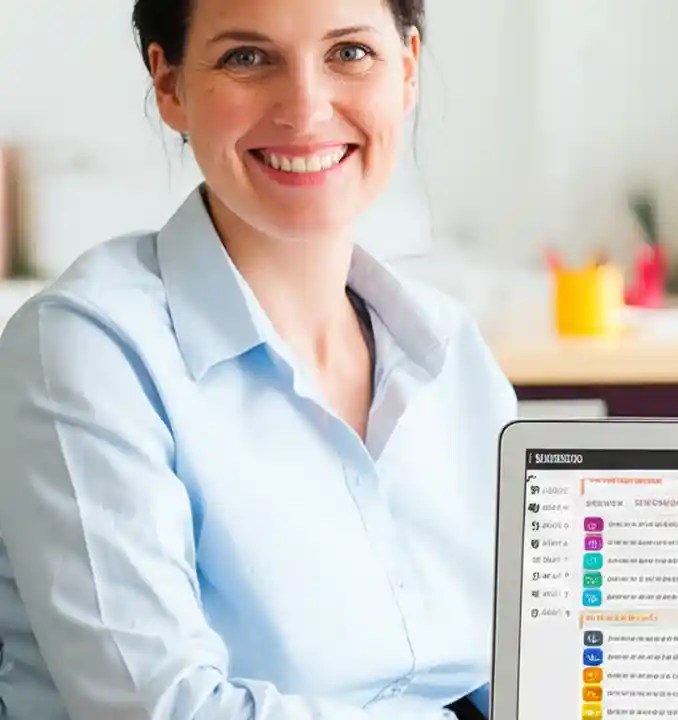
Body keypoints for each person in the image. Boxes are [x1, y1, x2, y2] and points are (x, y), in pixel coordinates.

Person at [0, 0, 514, 717]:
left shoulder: (449, 349)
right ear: (170, 85)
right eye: (247, 57)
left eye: (350, 53)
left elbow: (522, 664)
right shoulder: (87, 351)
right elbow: (163, 708)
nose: (305, 111)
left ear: (407, 70)